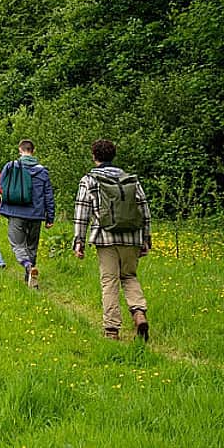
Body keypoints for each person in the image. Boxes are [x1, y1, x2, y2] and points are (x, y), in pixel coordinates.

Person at [73, 139, 152, 341]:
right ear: (113, 155)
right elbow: (144, 209)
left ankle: (111, 330)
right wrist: (146, 239)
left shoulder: (89, 180)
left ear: (94, 156)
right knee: (129, 276)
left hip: (105, 237)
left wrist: (79, 241)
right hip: (132, 237)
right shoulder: (129, 179)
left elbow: (82, 212)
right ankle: (138, 312)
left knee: (109, 281)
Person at [0, 139, 55, 288]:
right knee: (32, 246)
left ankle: (28, 266)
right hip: (36, 214)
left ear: (20, 150)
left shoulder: (11, 167)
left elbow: (2, 186)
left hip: (16, 212)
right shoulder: (43, 171)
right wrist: (50, 216)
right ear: (33, 151)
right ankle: (29, 277)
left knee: (17, 244)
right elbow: (48, 195)